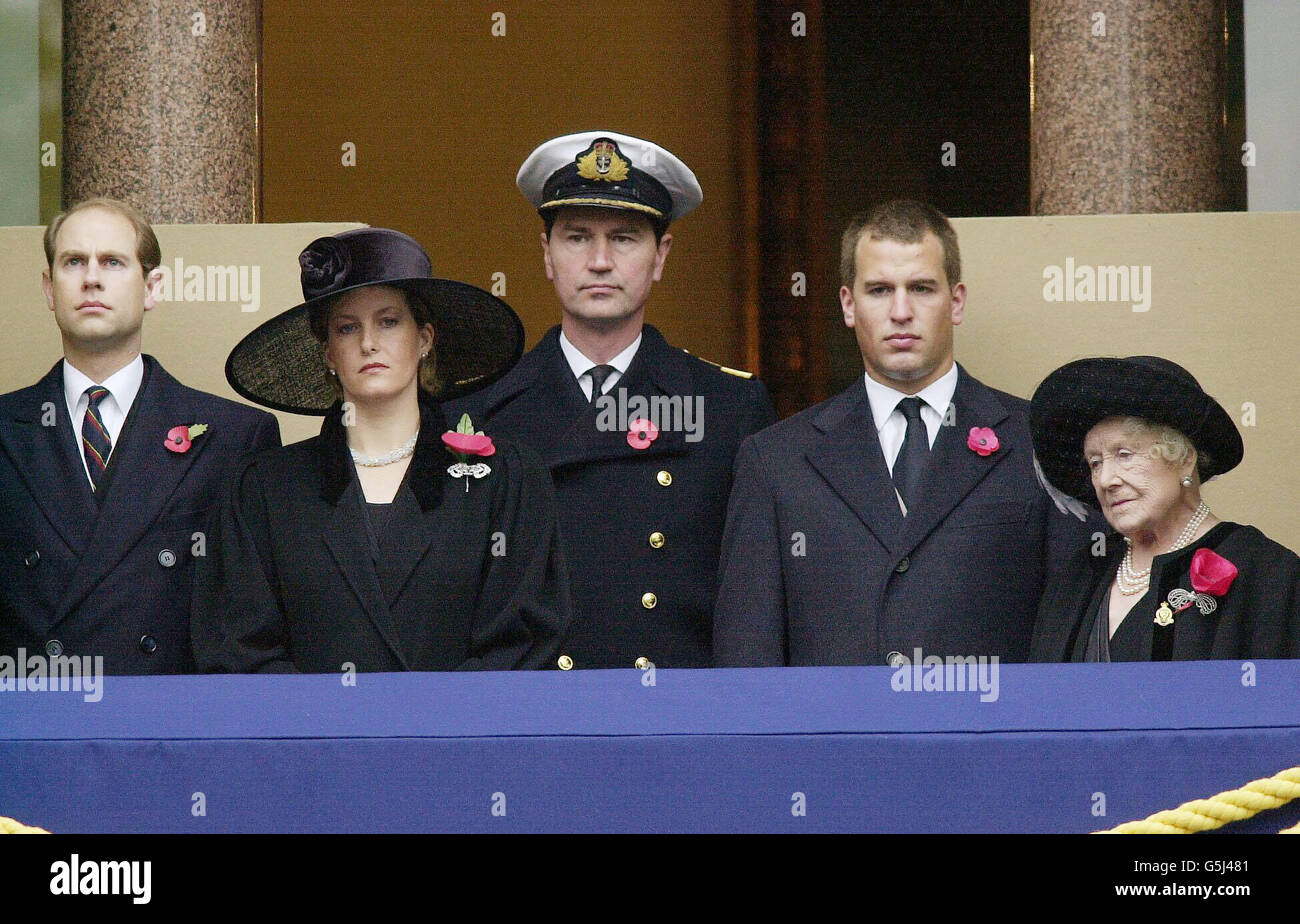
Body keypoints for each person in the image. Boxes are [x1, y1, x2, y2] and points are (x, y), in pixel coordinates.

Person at [714, 199, 1097, 666]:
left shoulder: (1040, 443)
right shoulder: (775, 461)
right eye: (879, 290)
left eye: (921, 288)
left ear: (956, 302)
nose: (901, 311)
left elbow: (1074, 641)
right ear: (848, 305)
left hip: (988, 735)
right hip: (835, 738)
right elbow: (748, 658)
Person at [445, 130, 776, 670]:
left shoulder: (728, 407)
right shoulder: (479, 413)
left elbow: (753, 599)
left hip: (671, 719)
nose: (600, 261)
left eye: (624, 238)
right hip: (536, 720)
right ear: (546, 254)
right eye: (577, 238)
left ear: (660, 255)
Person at [193, 227, 569, 672]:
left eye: (388, 321)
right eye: (347, 327)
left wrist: (427, 734)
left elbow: (521, 643)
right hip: (313, 739)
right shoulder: (264, 487)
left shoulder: (508, 479)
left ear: (425, 338)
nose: (368, 342)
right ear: (329, 353)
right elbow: (239, 649)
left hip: (458, 738)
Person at [0, 197, 281, 674]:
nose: (92, 278)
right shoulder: (8, 426)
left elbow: (249, 626)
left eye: (112, 261)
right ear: (49, 288)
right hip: (33, 726)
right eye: (73, 262)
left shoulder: (235, 436)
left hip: (165, 728)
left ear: (152, 286)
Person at [1030, 356, 1300, 660]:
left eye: (1124, 454)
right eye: (1095, 463)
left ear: (1184, 458)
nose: (1105, 480)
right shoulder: (1077, 578)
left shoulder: (1266, 574)